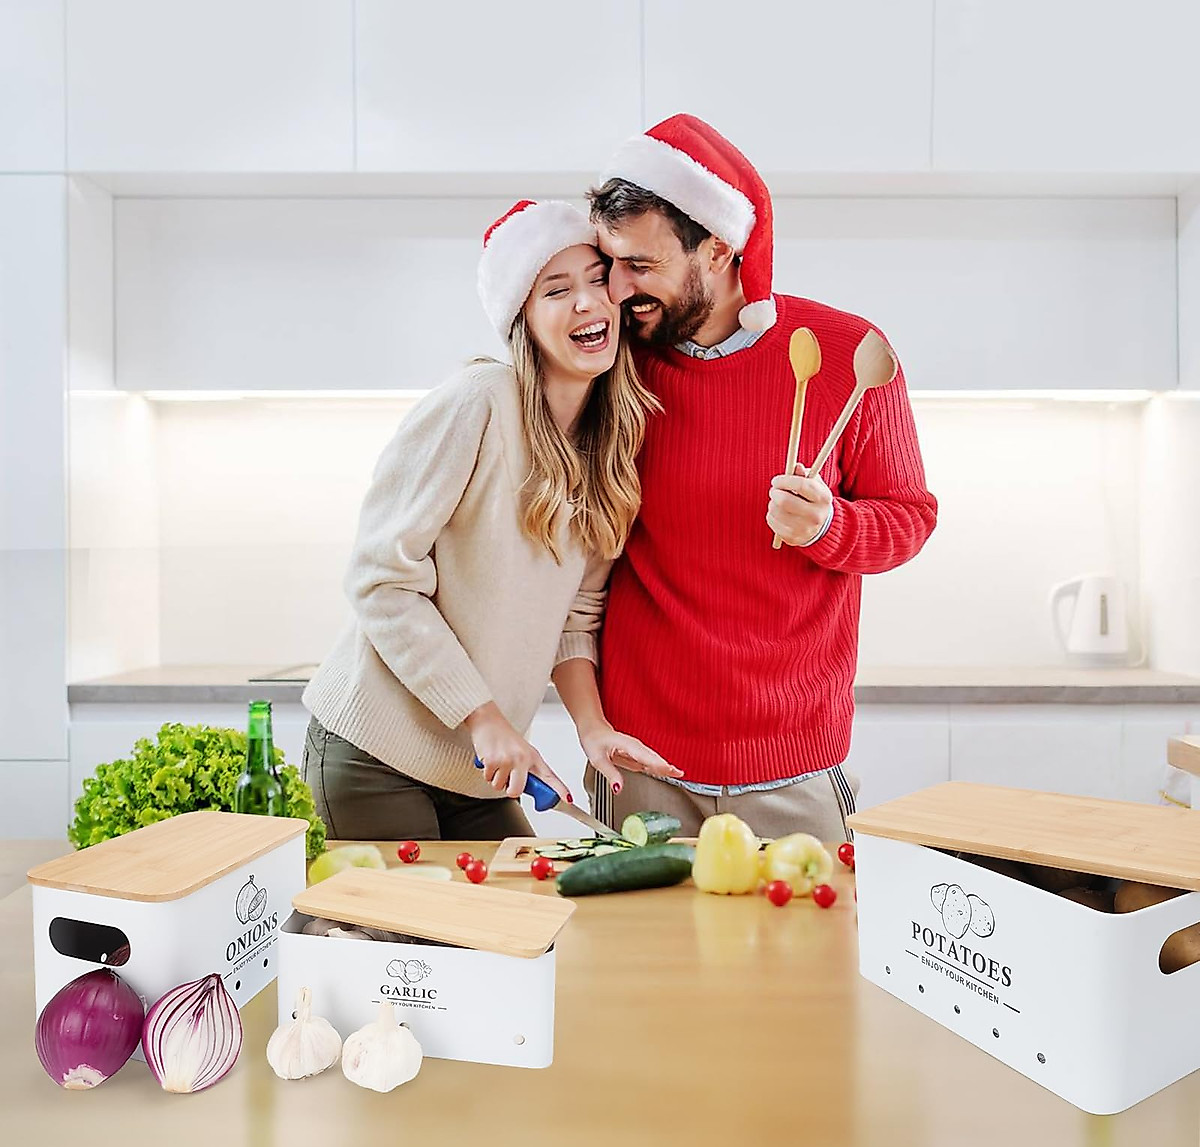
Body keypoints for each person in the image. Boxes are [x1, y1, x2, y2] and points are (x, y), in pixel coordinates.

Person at [583, 114, 939, 842]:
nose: (616, 290)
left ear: (717, 249)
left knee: (809, 959)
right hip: (642, 768)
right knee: (628, 961)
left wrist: (830, 527)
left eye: (641, 266)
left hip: (797, 772)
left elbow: (910, 517)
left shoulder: (847, 355)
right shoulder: (617, 366)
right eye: (610, 262)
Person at [302, 199, 679, 841]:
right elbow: (380, 580)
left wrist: (593, 728)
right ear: (523, 321)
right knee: (410, 942)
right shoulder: (475, 405)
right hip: (373, 755)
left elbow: (575, 617)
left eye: (597, 281)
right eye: (557, 291)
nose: (588, 303)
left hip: (477, 770)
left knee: (516, 931)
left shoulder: (608, 447)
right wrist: (484, 717)